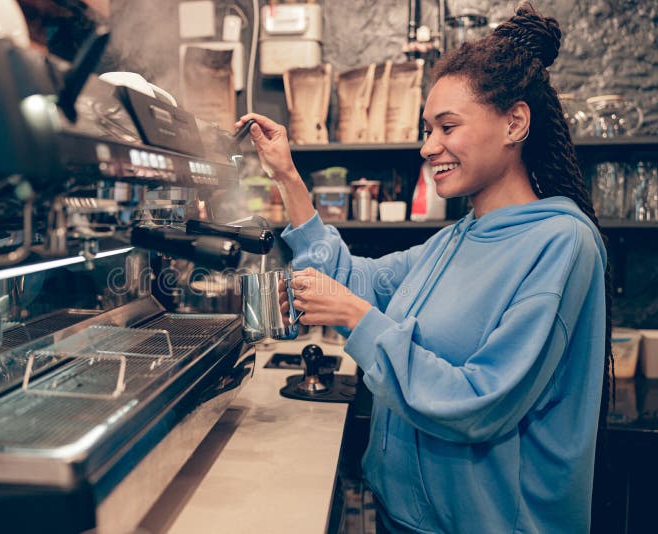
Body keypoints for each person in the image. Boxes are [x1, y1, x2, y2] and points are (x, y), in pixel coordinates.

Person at [235, 4, 611, 533]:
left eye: (446, 127)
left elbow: (477, 403)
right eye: (426, 128)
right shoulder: (456, 238)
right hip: (404, 517)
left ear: (516, 122)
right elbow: (354, 280)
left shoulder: (561, 244)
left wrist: (357, 318)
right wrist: (288, 178)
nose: (427, 145)